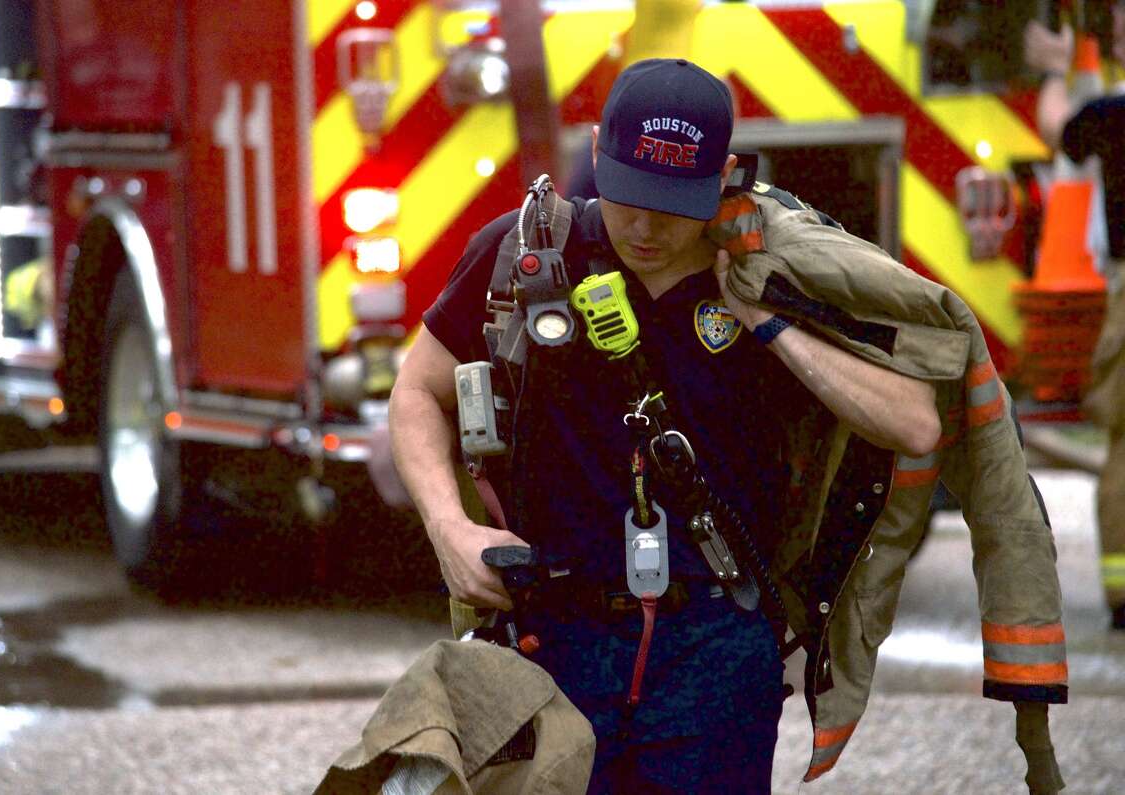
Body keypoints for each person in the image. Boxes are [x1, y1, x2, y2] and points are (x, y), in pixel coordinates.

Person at [390, 58, 1067, 793]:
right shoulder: (524, 257)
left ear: (727, 176)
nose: (645, 227)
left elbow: (915, 424)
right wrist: (447, 527)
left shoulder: (776, 269)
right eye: (628, 197)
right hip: (552, 638)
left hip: (717, 645)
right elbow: (416, 389)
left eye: (673, 202)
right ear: (594, 152)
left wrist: (771, 323)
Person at [1026, 8, 1125, 630]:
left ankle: (1122, 596)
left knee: (1124, 445)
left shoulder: (1114, 114)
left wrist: (1057, 70)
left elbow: (1058, 127)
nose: (1115, 30)